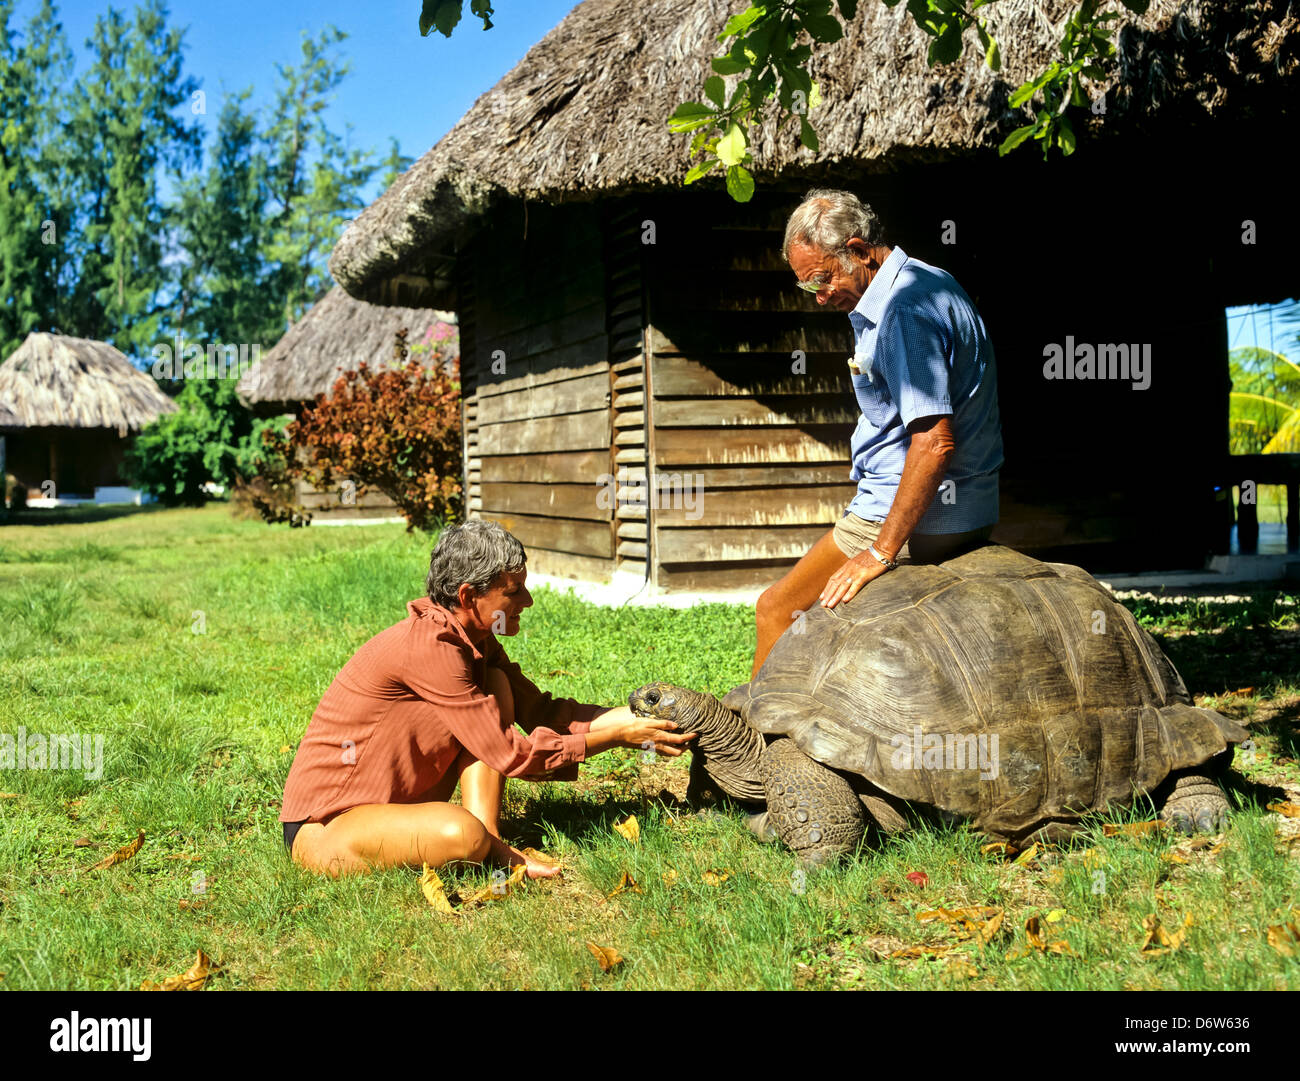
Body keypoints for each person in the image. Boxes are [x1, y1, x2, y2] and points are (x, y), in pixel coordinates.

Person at [280, 520, 695, 878]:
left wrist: (637, 718)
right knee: (460, 835)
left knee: (495, 684)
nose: (527, 602)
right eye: (513, 592)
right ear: (467, 597)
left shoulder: (476, 640)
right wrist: (614, 738)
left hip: (390, 809)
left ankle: (489, 840)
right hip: (327, 824)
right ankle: (490, 847)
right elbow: (510, 755)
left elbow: (542, 712)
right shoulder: (431, 649)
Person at [753, 189, 1003, 677]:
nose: (821, 297)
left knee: (776, 610)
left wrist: (879, 551)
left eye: (822, 280)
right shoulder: (931, 281)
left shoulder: (902, 312)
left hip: (911, 515)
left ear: (861, 250)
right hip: (973, 506)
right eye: (808, 288)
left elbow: (934, 442)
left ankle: (750, 749)